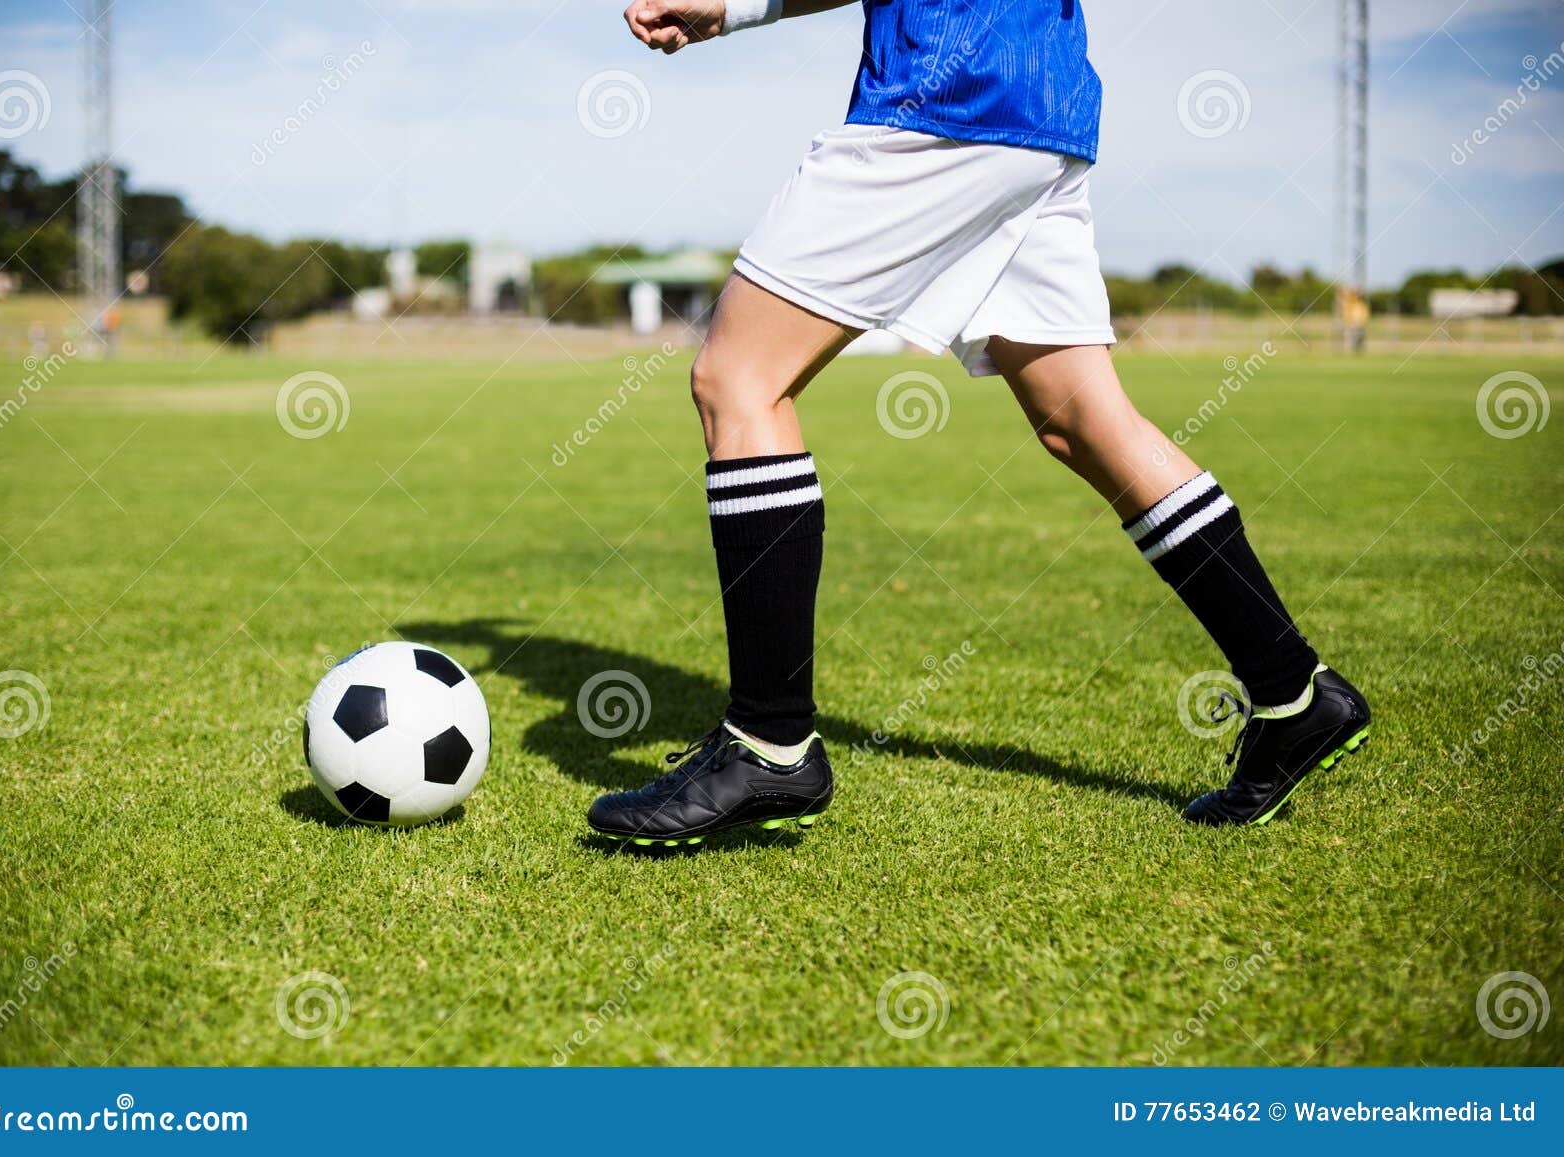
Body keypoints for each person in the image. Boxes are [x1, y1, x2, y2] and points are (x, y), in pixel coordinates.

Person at [586, 0, 1371, 846]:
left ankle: (769, 743)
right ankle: (1294, 693)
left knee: (738, 378)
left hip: (946, 85)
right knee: (1083, 417)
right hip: (1042, 98)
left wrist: (737, 5)